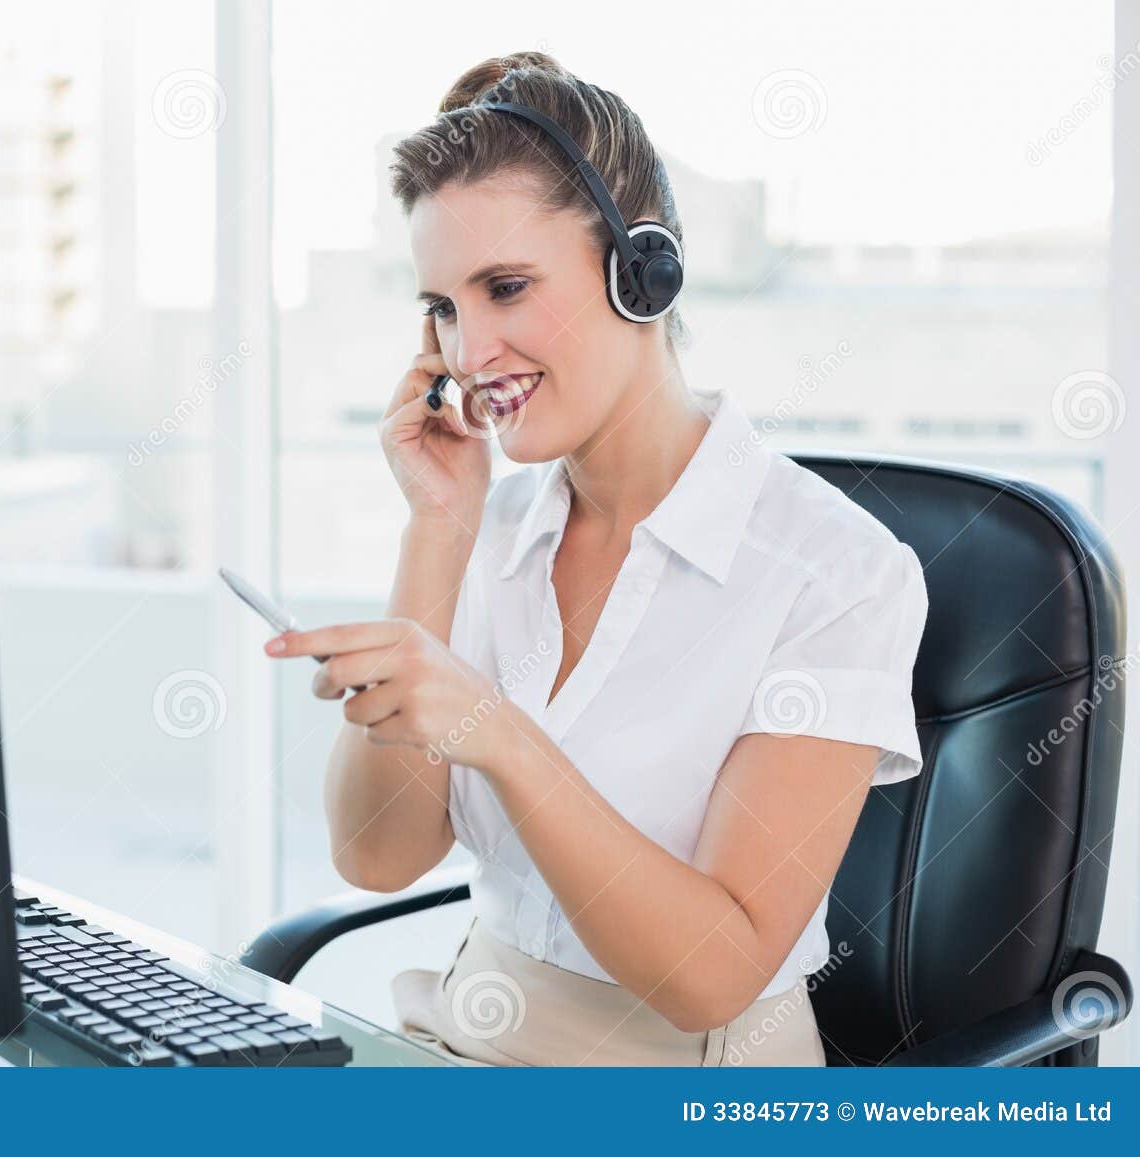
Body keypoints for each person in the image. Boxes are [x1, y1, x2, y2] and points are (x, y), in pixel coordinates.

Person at [264, 52, 928, 1067]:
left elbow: (712, 972)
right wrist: (433, 534)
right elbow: (376, 854)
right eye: (443, 306)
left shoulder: (835, 571)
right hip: (461, 1034)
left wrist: (496, 731)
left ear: (641, 270)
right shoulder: (488, 530)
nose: (469, 350)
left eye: (507, 287)